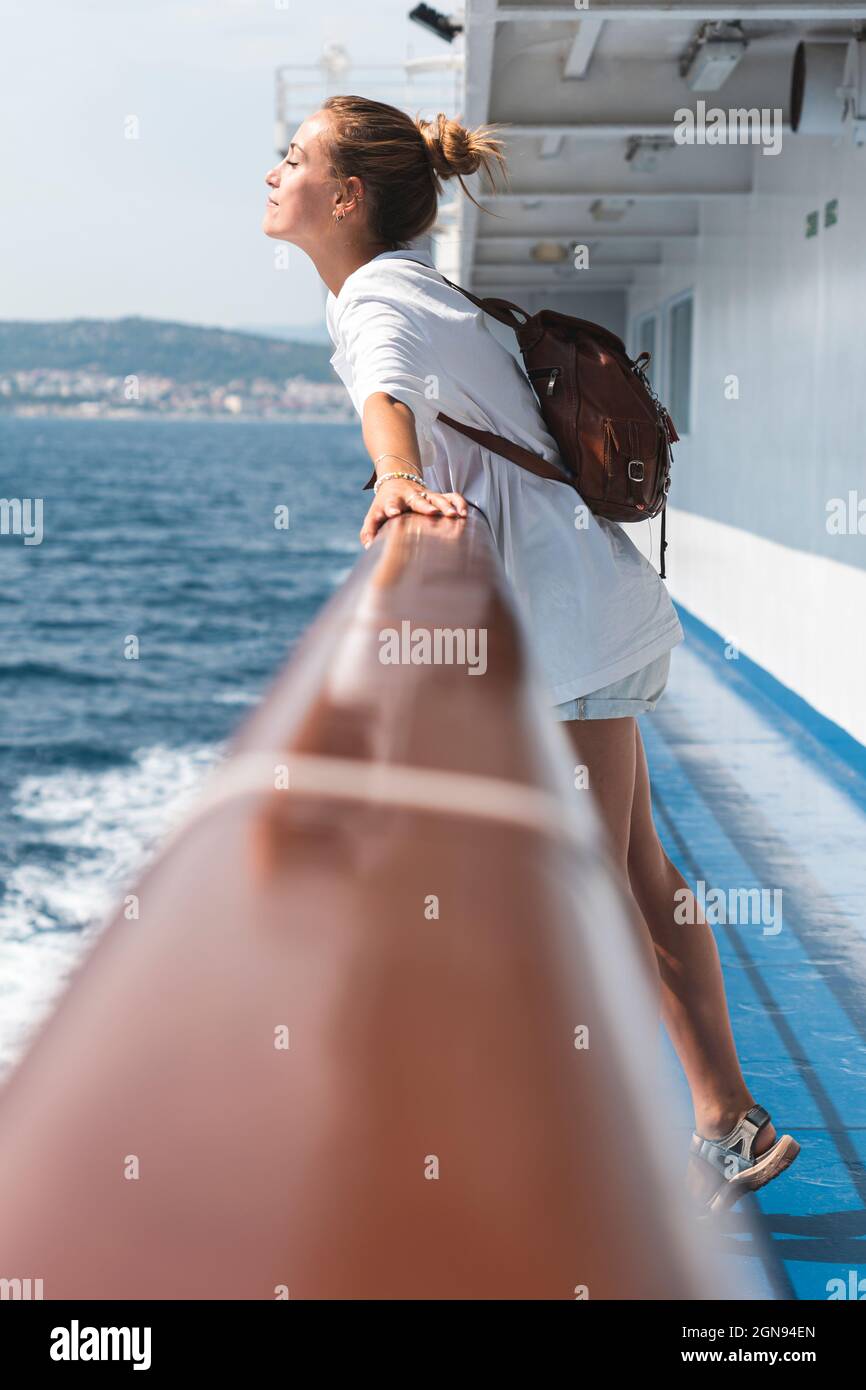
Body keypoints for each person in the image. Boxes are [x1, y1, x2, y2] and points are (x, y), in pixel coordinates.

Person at [262, 95, 799, 1213]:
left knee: (579, 908)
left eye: (294, 158)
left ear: (346, 197)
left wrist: (396, 476)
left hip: (570, 633)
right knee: (636, 887)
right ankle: (725, 1127)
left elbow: (383, 388)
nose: (275, 173)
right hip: (593, 617)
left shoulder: (372, 294)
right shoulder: (426, 290)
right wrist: (406, 474)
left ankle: (573, 1175)